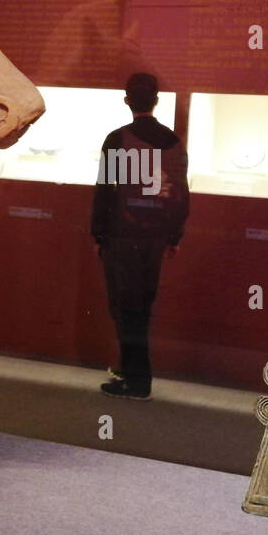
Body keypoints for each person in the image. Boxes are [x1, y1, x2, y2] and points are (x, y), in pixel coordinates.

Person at [92, 73, 189, 400]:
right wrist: (174, 236)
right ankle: (133, 373)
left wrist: (99, 235)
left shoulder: (117, 139)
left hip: (123, 233)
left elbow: (105, 192)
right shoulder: (173, 141)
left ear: (127, 100)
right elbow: (180, 192)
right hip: (156, 237)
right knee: (141, 306)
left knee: (125, 306)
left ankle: (136, 379)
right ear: (156, 100)